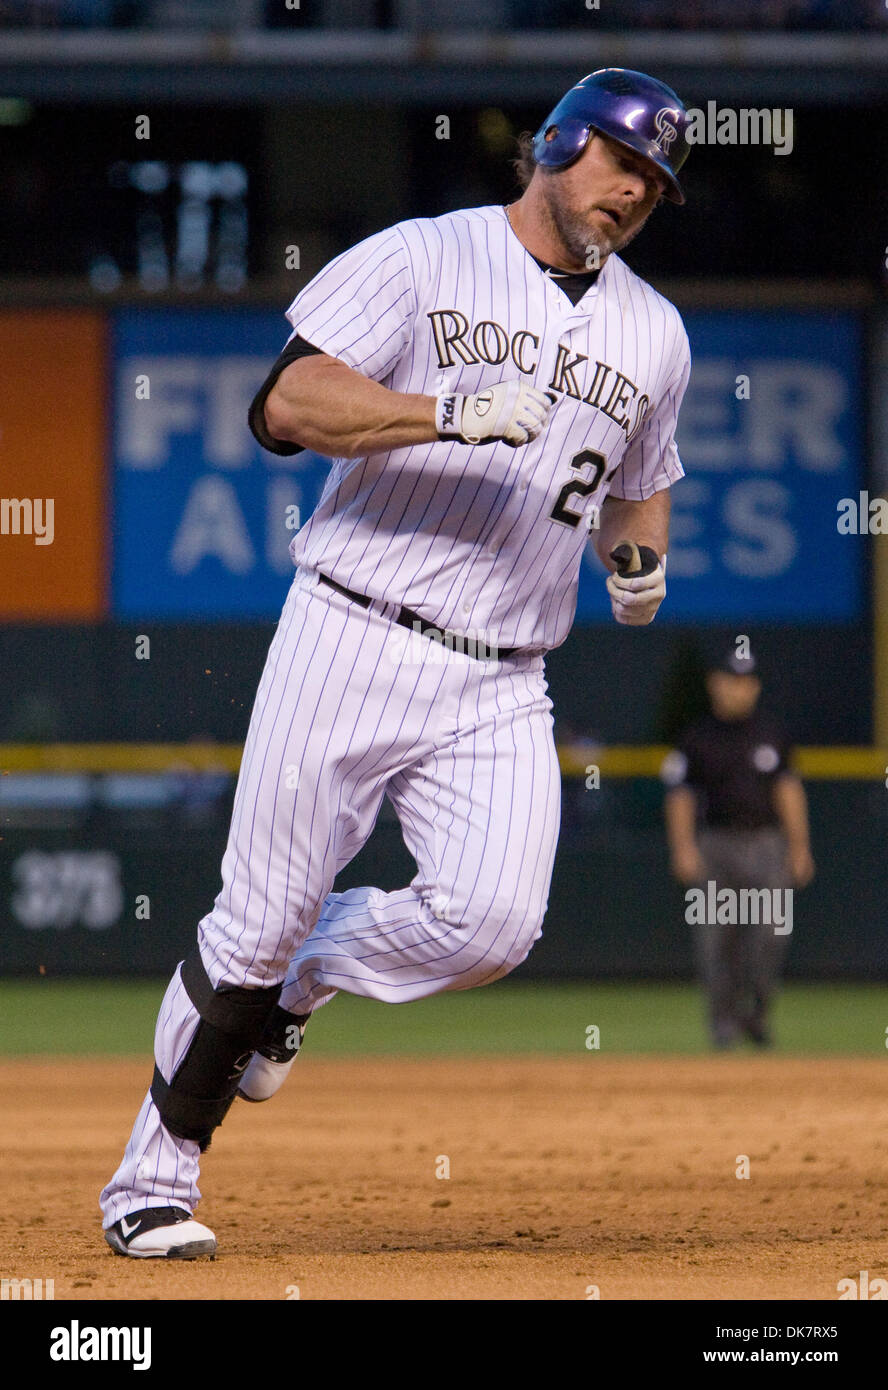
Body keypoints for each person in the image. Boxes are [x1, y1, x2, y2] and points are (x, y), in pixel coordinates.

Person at [101, 67, 695, 1258]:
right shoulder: (424, 256)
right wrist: (450, 412)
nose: (634, 190)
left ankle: (301, 977)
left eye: (656, 179)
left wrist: (639, 563)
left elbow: (641, 486)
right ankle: (148, 1186)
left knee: (490, 922)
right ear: (559, 142)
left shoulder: (655, 332)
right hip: (354, 627)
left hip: (504, 674)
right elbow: (286, 405)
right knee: (251, 920)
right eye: (620, 160)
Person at [662, 646, 815, 1049]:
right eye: (732, 681)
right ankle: (723, 1025)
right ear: (716, 684)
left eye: (746, 682)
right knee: (716, 940)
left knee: (771, 936)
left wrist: (799, 848)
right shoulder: (696, 738)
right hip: (716, 846)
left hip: (767, 844)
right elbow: (680, 796)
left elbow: (788, 791)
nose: (739, 690)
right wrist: (683, 848)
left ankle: (757, 1013)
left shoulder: (772, 735)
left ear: (756, 687)